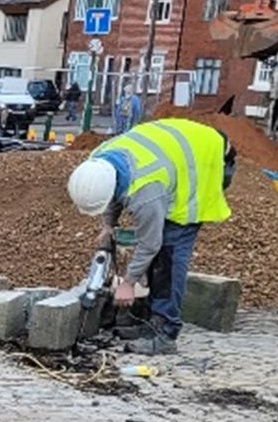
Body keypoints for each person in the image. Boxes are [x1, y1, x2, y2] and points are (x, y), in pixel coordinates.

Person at [65, 117, 235, 355]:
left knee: (169, 255)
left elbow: (149, 244)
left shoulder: (146, 191)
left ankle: (165, 332)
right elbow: (112, 194)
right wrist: (108, 224)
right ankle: (152, 322)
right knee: (158, 253)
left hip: (206, 160)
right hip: (177, 151)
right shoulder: (100, 158)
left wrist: (128, 283)